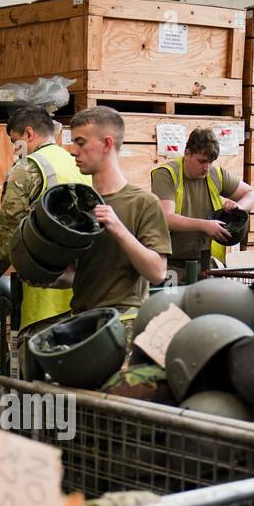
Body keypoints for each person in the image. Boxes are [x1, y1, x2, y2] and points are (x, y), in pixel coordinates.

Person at [0, 105, 92, 377]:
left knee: (35, 384)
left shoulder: (28, 167)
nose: (14, 150)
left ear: (28, 134)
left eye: (14, 142)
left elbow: (7, 228)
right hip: (83, 292)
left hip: (44, 296)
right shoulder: (78, 164)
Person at [66, 105, 171, 337]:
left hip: (123, 325)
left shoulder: (143, 203)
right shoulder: (78, 204)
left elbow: (157, 272)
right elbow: (75, 274)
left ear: (107, 144)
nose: (73, 151)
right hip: (82, 323)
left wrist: (118, 228)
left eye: (81, 142)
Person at [151, 127, 254, 282]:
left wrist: (239, 207)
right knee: (172, 299)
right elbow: (166, 218)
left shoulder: (216, 174)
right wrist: (205, 225)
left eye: (210, 162)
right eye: (201, 161)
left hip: (206, 265)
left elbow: (251, 194)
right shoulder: (166, 175)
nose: (206, 168)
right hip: (170, 265)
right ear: (187, 154)